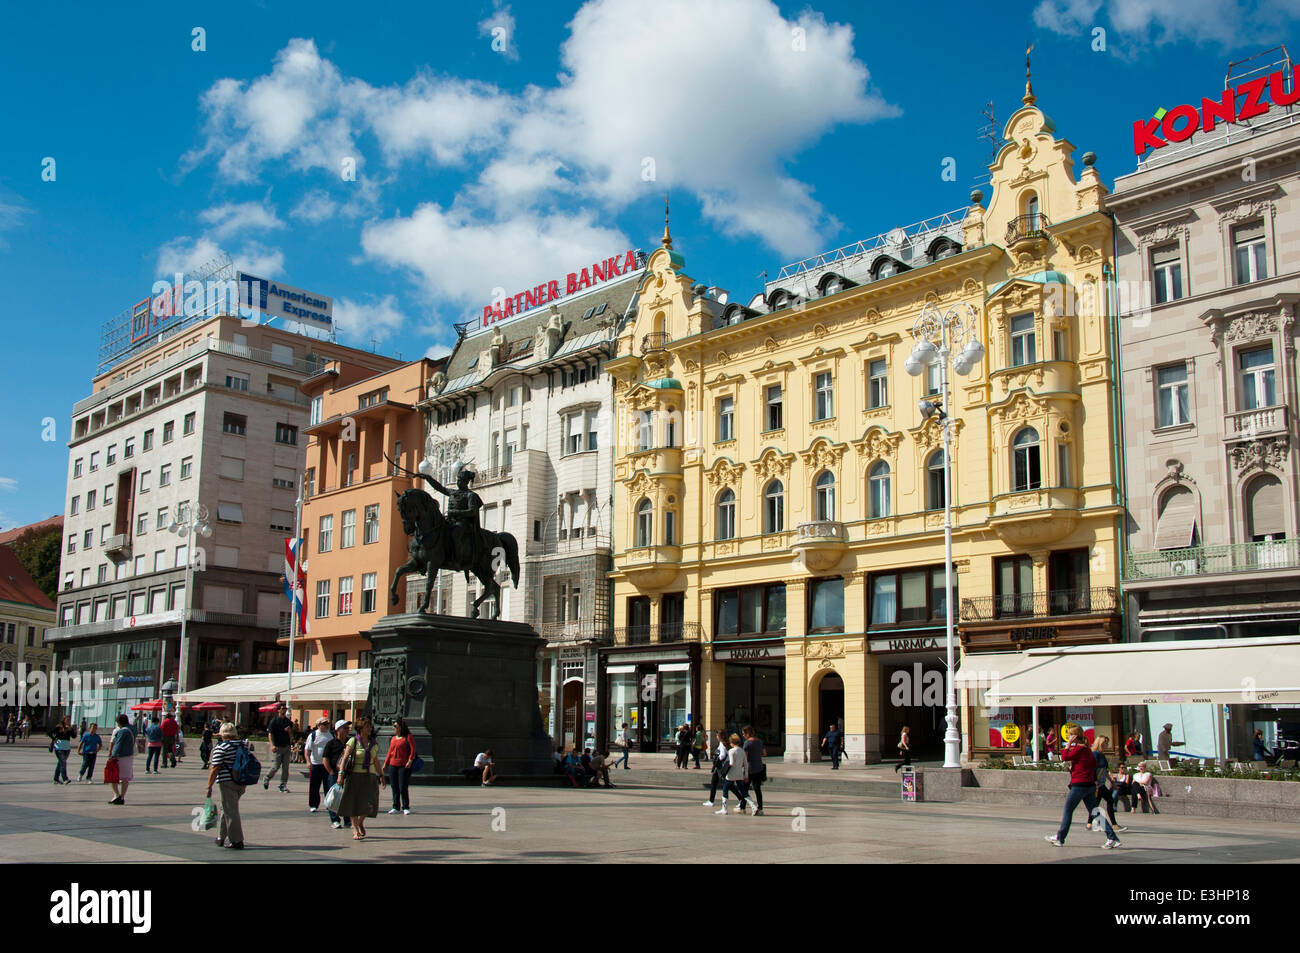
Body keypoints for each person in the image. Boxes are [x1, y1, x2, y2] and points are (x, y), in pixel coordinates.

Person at [1044, 725, 1120, 849]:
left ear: (1074, 737)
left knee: (1068, 810)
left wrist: (1068, 745)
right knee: (1095, 812)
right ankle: (1112, 838)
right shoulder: (1087, 749)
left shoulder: (1079, 749)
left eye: (1069, 735)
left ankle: (1060, 838)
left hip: (1079, 785)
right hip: (1089, 785)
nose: (1068, 737)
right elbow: (1094, 764)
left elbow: (1064, 757)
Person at [338, 717, 385, 840]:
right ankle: (355, 829)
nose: (369, 729)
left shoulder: (373, 743)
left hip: (369, 775)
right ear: (360, 728)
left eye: (370, 726)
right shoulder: (353, 741)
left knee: (371, 802)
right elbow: (345, 758)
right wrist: (340, 774)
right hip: (354, 775)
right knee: (354, 802)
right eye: (367, 727)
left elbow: (375, 761)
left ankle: (360, 822)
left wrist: (381, 775)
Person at [207, 723, 248, 849]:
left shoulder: (222, 747)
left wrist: (209, 786)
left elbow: (215, 768)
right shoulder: (242, 746)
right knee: (227, 808)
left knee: (231, 811)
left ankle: (237, 840)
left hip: (227, 782)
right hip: (241, 782)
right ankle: (221, 837)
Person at [1088, 736, 1127, 833]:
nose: (1107, 745)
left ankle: (1089, 824)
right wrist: (1095, 782)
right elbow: (1092, 769)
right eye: (1106, 743)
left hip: (1101, 783)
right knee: (1108, 800)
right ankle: (1114, 825)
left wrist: (1112, 782)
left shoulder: (1102, 755)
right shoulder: (1095, 754)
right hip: (1097, 784)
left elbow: (1105, 771)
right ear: (1101, 743)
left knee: (1095, 804)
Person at [322, 720, 352, 830]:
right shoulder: (331, 743)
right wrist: (330, 771)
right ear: (338, 730)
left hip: (347, 774)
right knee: (334, 797)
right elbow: (325, 758)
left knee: (346, 797)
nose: (348, 730)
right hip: (335, 773)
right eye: (345, 728)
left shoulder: (349, 742)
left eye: (348, 728)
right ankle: (334, 820)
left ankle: (347, 820)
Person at [384, 718, 416, 815]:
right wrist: (385, 763)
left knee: (403, 787)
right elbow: (390, 752)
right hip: (393, 765)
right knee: (394, 786)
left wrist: (410, 760)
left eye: (395, 726)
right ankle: (396, 806)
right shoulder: (393, 739)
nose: (394, 728)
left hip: (404, 765)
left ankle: (405, 806)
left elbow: (413, 749)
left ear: (400, 727)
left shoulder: (408, 737)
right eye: (394, 726)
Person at [304, 718, 334, 814]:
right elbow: (307, 750)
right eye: (324, 724)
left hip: (327, 765)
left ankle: (328, 804)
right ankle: (313, 805)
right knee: (314, 786)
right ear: (318, 725)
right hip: (315, 764)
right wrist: (308, 761)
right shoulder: (313, 735)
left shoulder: (331, 735)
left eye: (327, 723)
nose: (326, 725)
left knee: (328, 786)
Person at [715, 733, 750, 815]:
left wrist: (725, 769)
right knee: (743, 791)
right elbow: (745, 764)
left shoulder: (731, 751)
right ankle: (753, 806)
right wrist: (746, 775)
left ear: (732, 743)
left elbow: (731, 763)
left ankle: (724, 809)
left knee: (725, 790)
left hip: (731, 775)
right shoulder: (742, 751)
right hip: (739, 775)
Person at [263, 702, 294, 792]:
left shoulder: (288, 722)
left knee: (286, 767)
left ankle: (283, 784)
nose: (284, 710)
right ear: (278, 710)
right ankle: (267, 777)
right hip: (278, 747)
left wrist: (289, 732)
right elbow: (270, 734)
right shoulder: (274, 721)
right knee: (276, 766)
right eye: (282, 708)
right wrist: (272, 745)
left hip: (286, 746)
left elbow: (291, 736)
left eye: (285, 709)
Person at [107, 714, 135, 805]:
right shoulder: (133, 729)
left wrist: (112, 756)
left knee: (112, 776)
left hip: (120, 756)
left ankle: (116, 795)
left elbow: (118, 744)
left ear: (119, 722)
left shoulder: (122, 731)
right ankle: (122, 797)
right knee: (125, 778)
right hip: (129, 756)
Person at [703, 729, 730, 807]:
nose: (716, 737)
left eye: (717, 736)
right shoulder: (726, 743)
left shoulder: (722, 743)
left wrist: (717, 759)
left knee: (715, 783)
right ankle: (711, 800)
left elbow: (722, 755)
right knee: (717, 783)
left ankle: (711, 801)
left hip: (719, 766)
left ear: (720, 736)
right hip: (722, 766)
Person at [742, 726, 765, 816]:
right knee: (757, 789)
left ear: (748, 733)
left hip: (750, 768)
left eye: (744, 734)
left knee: (745, 788)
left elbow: (745, 757)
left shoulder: (747, 743)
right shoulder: (759, 741)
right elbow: (764, 753)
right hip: (759, 767)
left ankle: (742, 807)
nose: (743, 736)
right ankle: (760, 808)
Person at [51, 717, 74, 784]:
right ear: (64, 720)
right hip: (59, 748)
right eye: (67, 720)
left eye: (69, 720)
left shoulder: (69, 728)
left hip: (67, 748)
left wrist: (71, 730)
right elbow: (50, 733)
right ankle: (65, 778)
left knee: (60, 763)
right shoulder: (59, 727)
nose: (68, 721)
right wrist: (54, 739)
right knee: (63, 763)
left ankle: (56, 779)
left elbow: (74, 736)